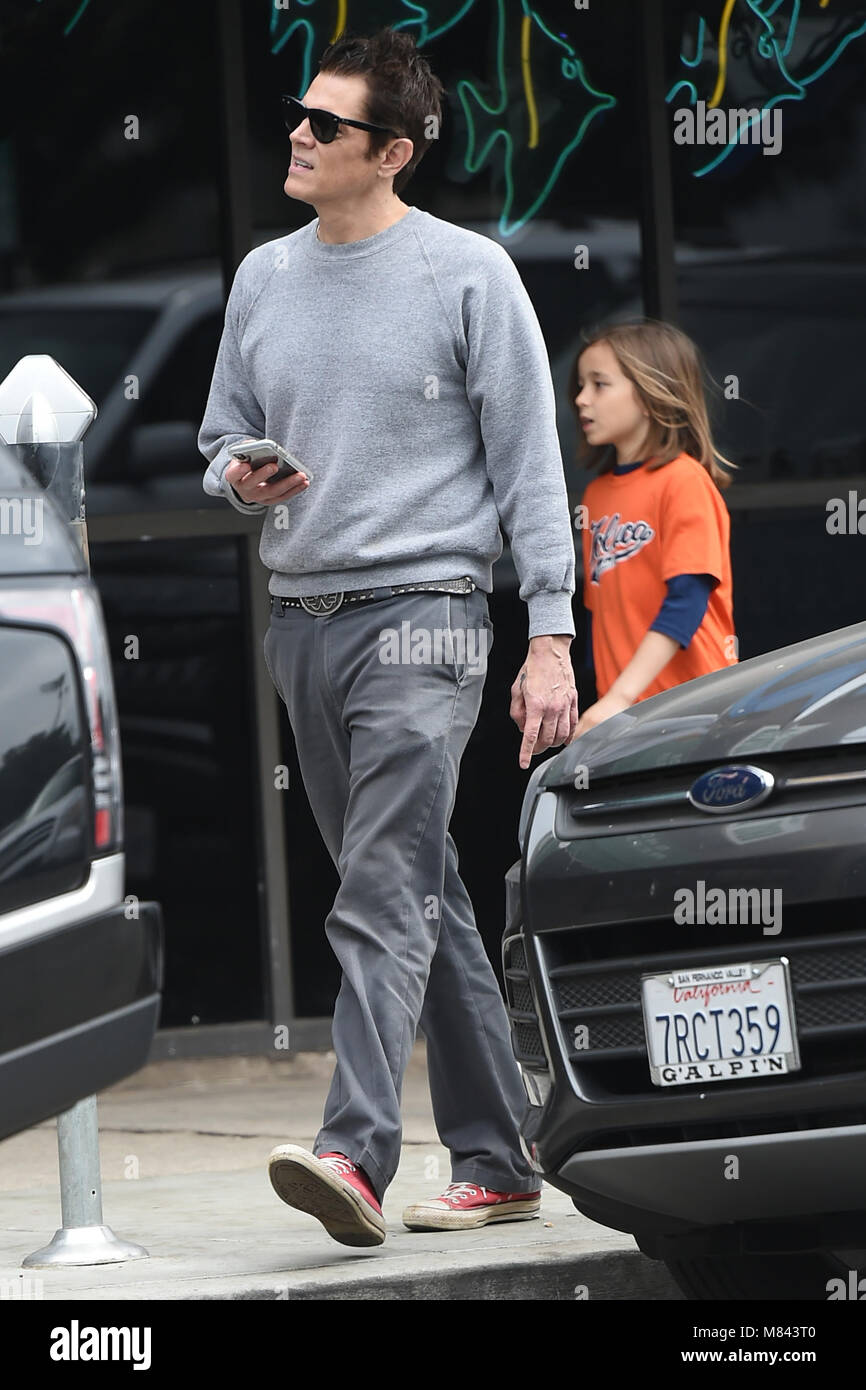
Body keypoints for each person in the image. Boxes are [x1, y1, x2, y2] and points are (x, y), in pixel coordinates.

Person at [197, 28, 578, 1248]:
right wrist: (239, 478)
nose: (297, 135)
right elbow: (220, 432)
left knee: (376, 892)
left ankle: (350, 1152)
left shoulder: (467, 275)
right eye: (297, 116)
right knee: (418, 892)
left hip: (426, 620)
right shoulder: (262, 276)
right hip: (300, 626)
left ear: (394, 152)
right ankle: (497, 1155)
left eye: (326, 124)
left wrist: (551, 636)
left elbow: (529, 470)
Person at [568, 320, 737, 737]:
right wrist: (606, 699)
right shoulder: (596, 494)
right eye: (580, 384)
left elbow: (687, 600)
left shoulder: (683, 480)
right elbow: (599, 614)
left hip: (695, 711)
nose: (581, 399)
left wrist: (619, 698)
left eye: (599, 384)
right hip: (626, 719)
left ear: (648, 394)